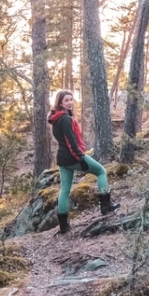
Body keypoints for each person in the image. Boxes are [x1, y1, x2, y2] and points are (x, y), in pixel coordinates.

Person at [47, 89, 118, 234]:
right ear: (60, 102)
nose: (70, 103)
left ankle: (64, 226)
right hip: (72, 156)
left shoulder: (56, 118)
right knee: (101, 171)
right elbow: (71, 142)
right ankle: (105, 206)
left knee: (65, 190)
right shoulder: (65, 119)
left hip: (62, 158)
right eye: (66, 100)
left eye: (71, 100)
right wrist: (81, 158)